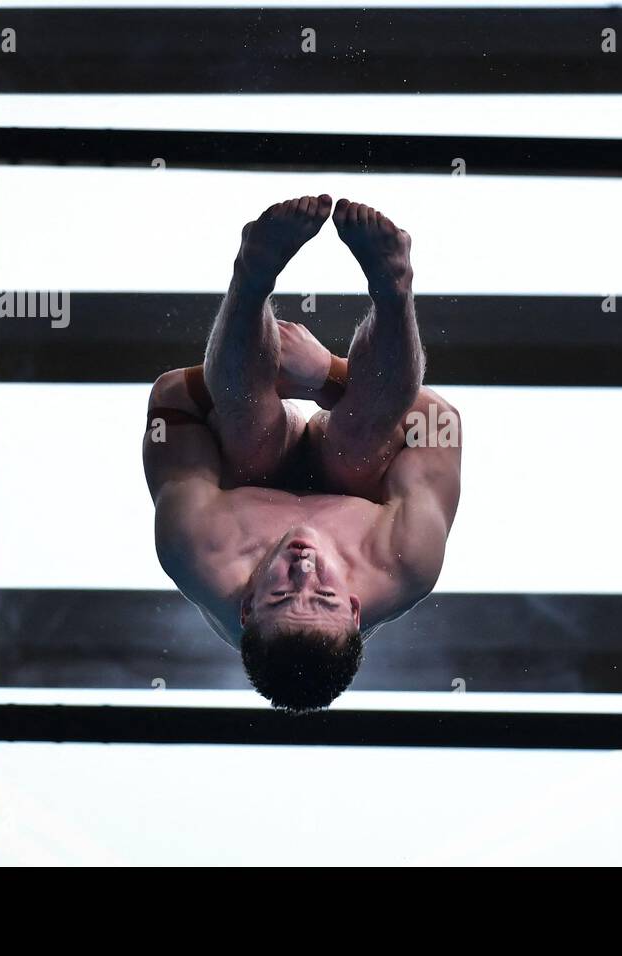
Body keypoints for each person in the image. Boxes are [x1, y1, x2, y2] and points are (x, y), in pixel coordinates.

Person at [142, 195, 462, 712]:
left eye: (282, 595)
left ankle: (252, 273)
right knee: (357, 445)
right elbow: (439, 422)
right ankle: (393, 284)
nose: (304, 568)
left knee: (248, 430)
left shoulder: (198, 548)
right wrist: (329, 378)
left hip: (255, 449)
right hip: (356, 452)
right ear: (355, 608)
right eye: (324, 596)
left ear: (246, 608)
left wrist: (252, 379)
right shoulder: (405, 561)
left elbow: (170, 401)